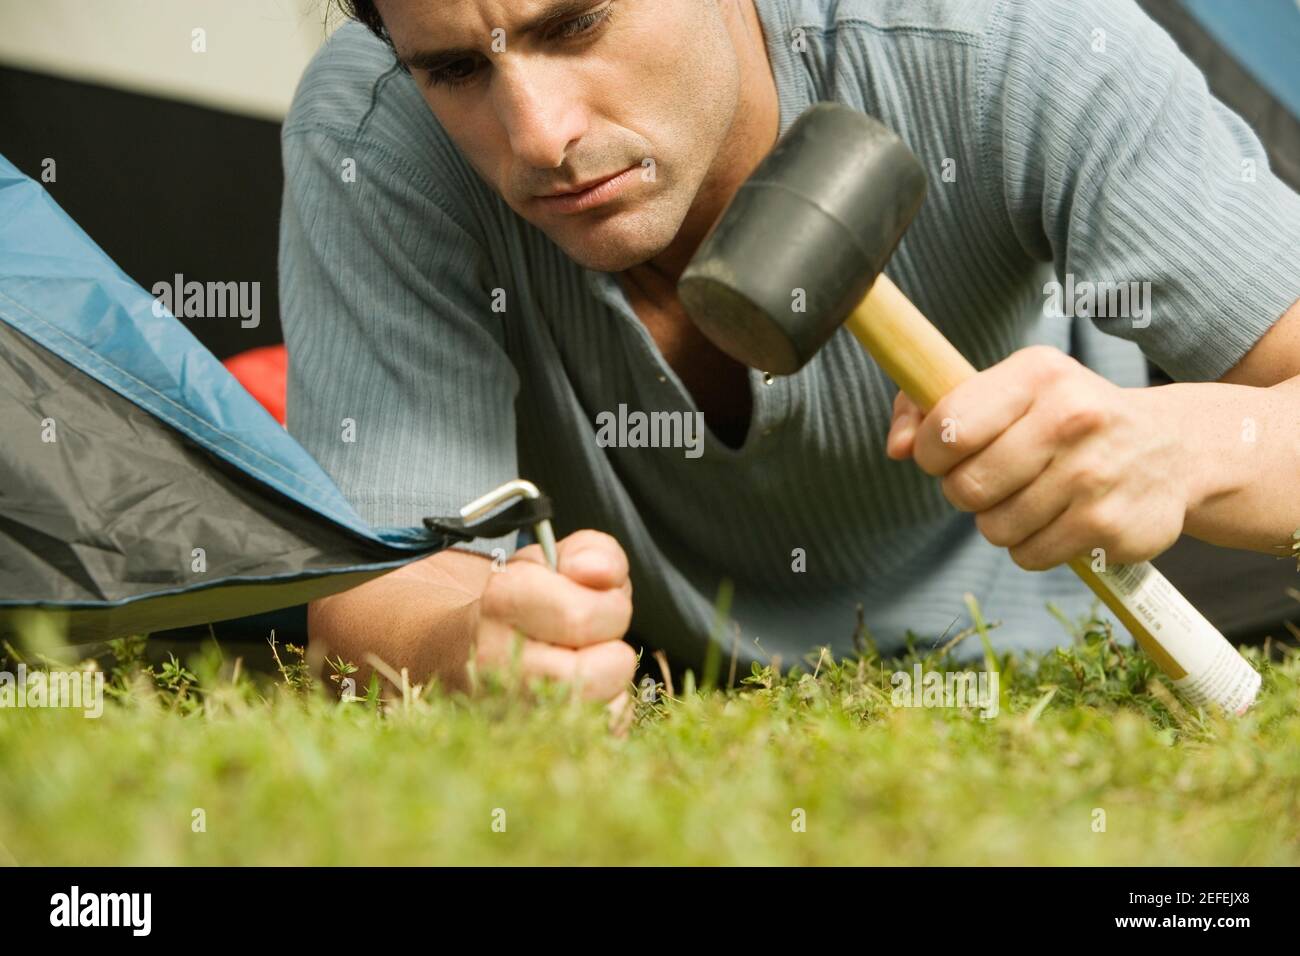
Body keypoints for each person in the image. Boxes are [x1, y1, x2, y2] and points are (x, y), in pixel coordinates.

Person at [279, 0, 1300, 705]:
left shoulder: (1015, 38)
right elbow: (373, 609)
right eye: (456, 68)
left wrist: (1183, 447)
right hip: (663, 661)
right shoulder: (377, 130)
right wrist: (470, 653)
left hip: (1079, 589)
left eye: (579, 23)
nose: (540, 135)